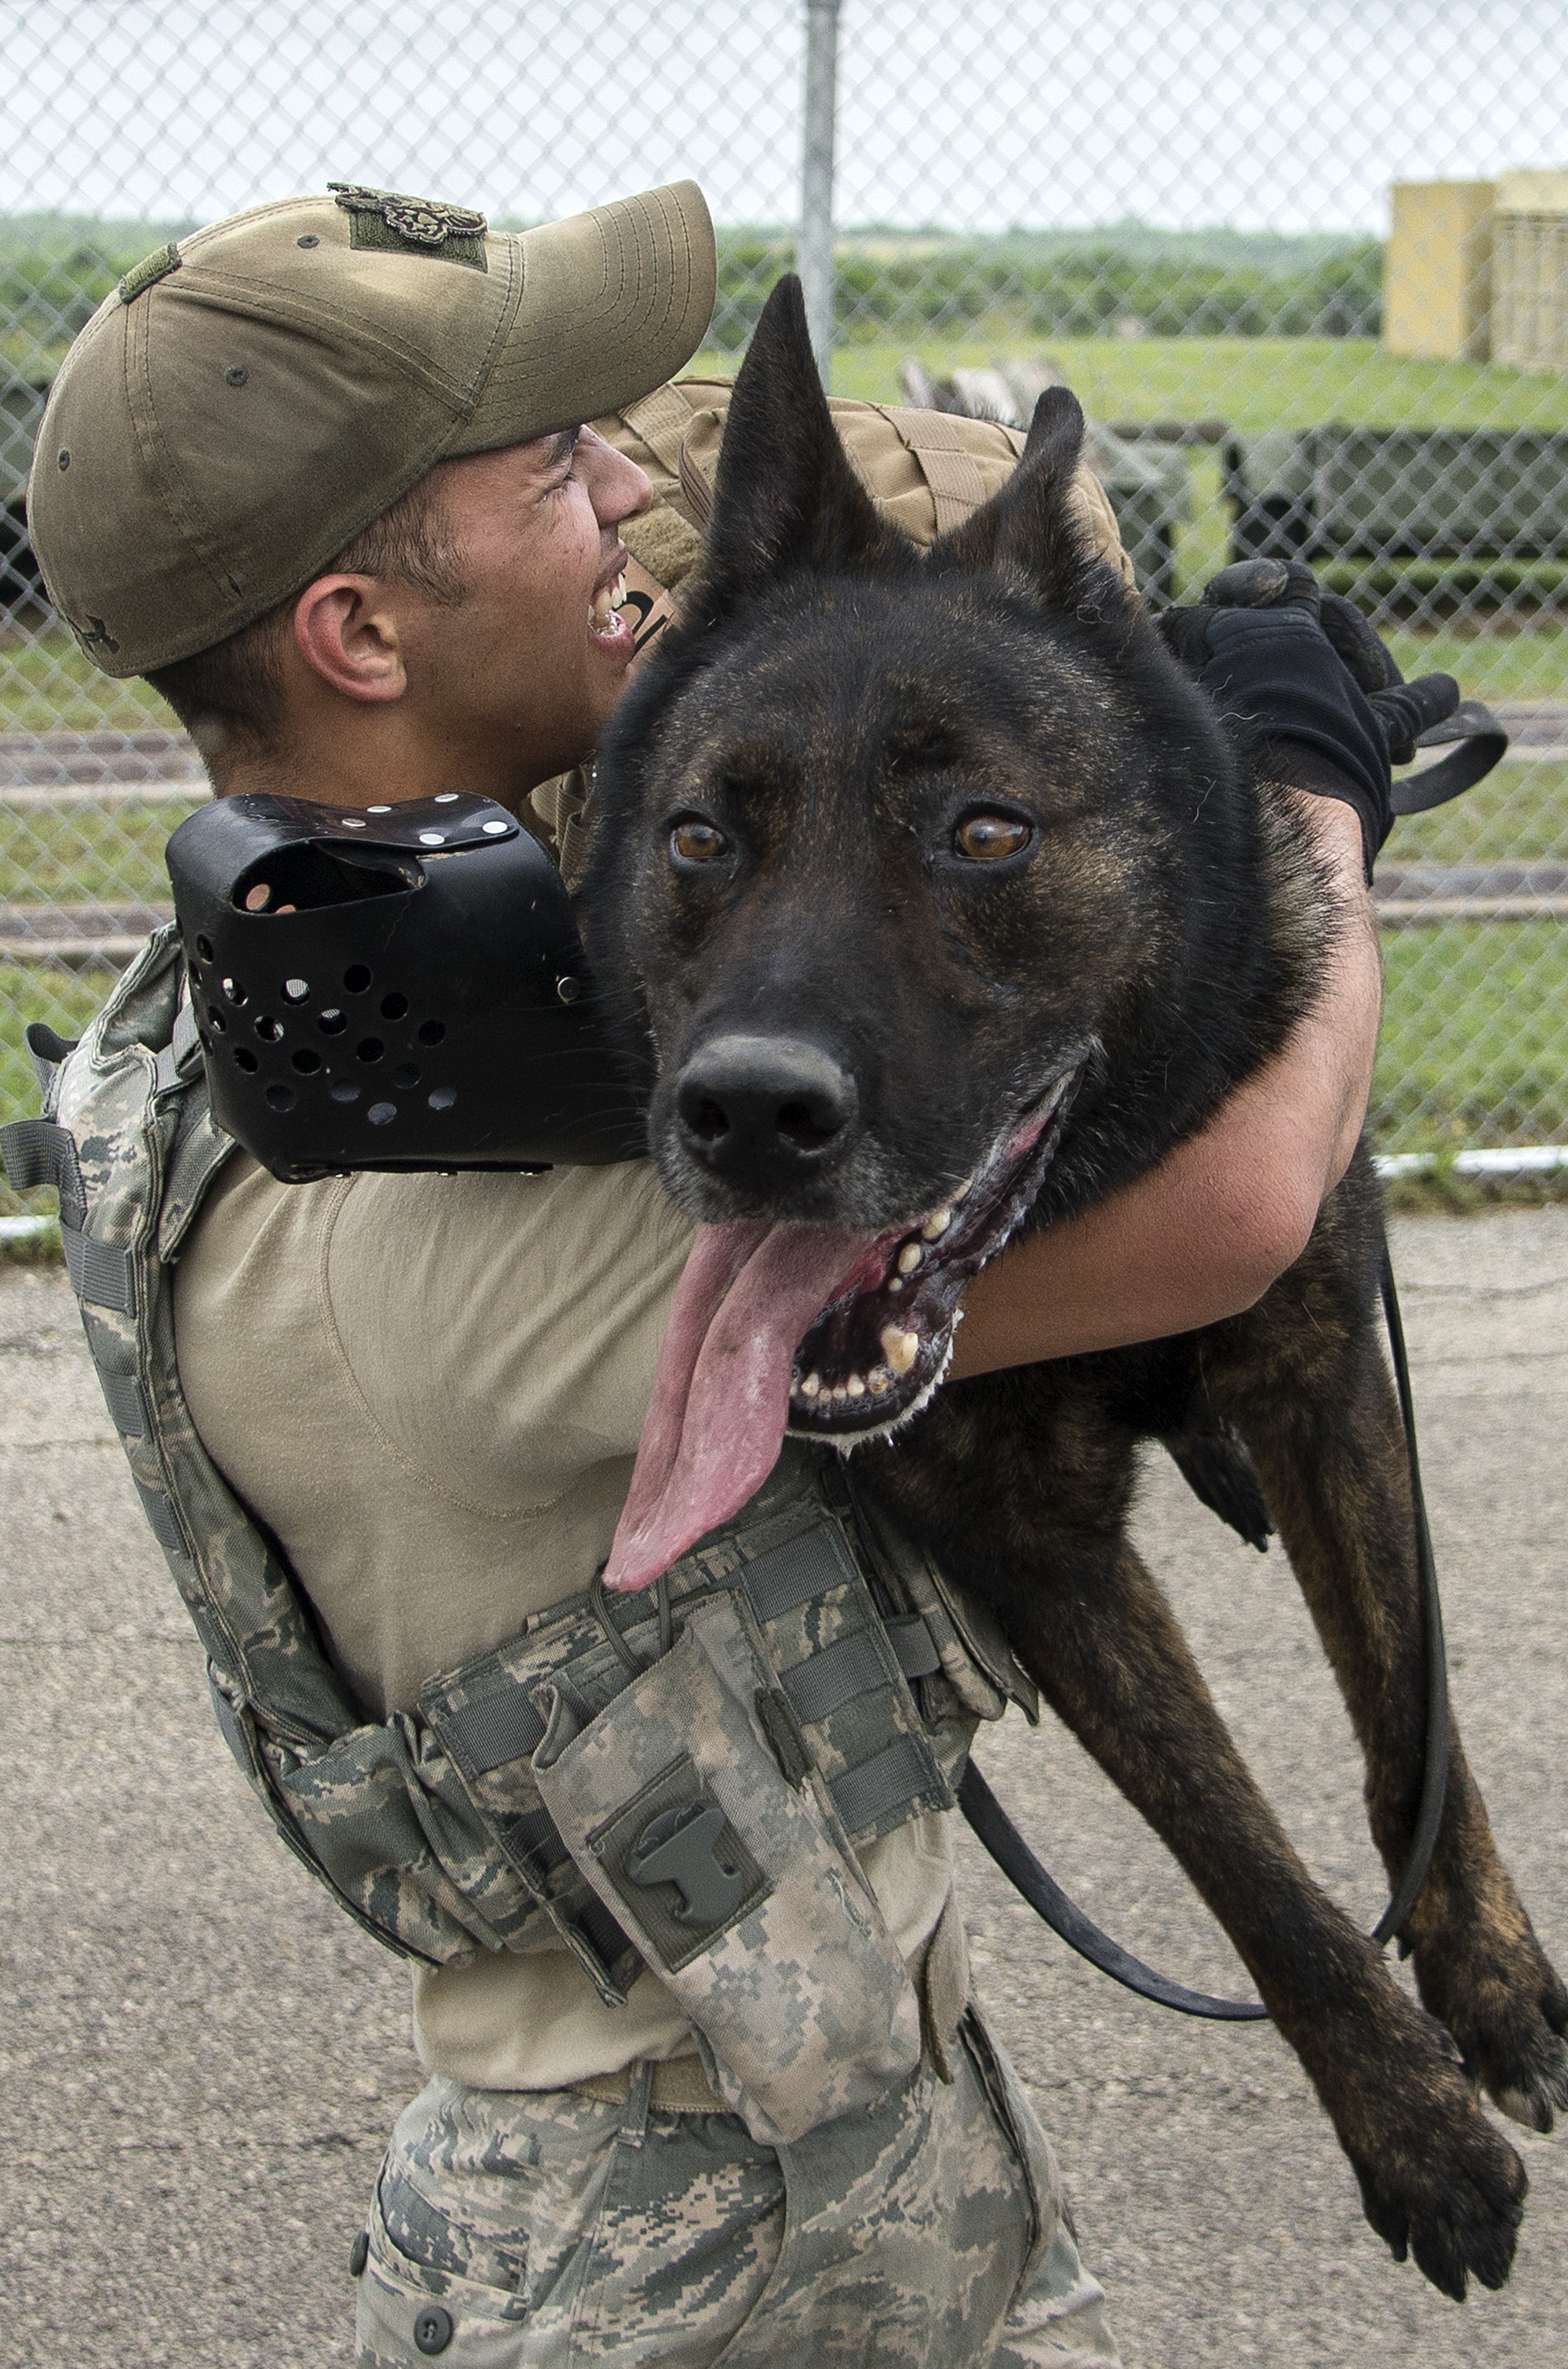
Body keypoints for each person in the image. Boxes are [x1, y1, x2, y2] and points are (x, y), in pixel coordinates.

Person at [21, 178, 1390, 2368]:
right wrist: (1304, 812)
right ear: (363, 636)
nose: (624, 509)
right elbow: (1234, 1216)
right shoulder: (429, 1238)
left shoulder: (300, 1016)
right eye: (559, 471)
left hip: (810, 2169)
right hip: (687, 2258)